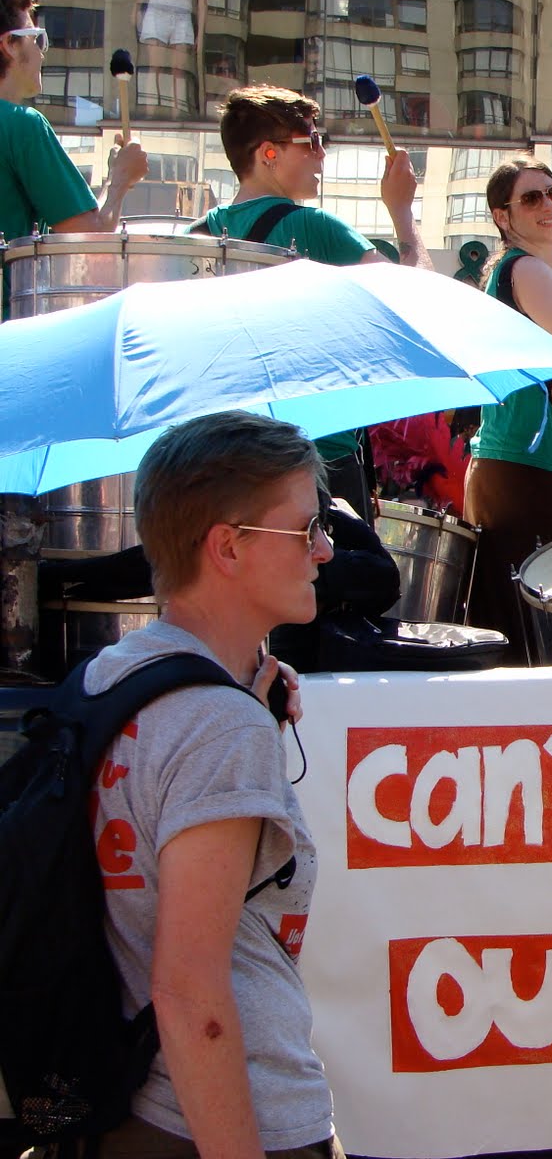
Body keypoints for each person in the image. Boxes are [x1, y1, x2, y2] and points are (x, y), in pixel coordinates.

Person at [85, 410, 339, 1158]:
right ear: (227, 546)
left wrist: (241, 689)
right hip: (229, 1118)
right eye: (306, 530)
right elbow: (191, 994)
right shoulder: (219, 728)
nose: (325, 551)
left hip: (137, 1107)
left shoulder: (116, 675)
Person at [191, 85, 429, 517]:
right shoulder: (313, 227)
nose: (322, 154)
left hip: (222, 459)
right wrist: (403, 213)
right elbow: (414, 303)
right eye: (312, 142)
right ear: (268, 153)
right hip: (314, 455)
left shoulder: (197, 239)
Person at [463, 154, 552, 644]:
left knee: (516, 634)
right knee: (532, 642)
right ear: (502, 216)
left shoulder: (525, 271)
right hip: (525, 473)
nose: (548, 205)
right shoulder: (525, 269)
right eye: (531, 197)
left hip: (518, 469)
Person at [0, 0, 148, 314]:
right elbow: (89, 239)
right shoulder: (23, 128)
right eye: (37, 38)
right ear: (9, 44)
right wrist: (120, 178)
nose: (42, 52)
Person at [135, 0, 206, 117]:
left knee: (179, 69)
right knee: (155, 66)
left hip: (182, 16)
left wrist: (200, 36)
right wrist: (136, 10)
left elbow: (202, 4)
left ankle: (177, 113)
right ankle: (150, 111)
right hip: (157, 13)